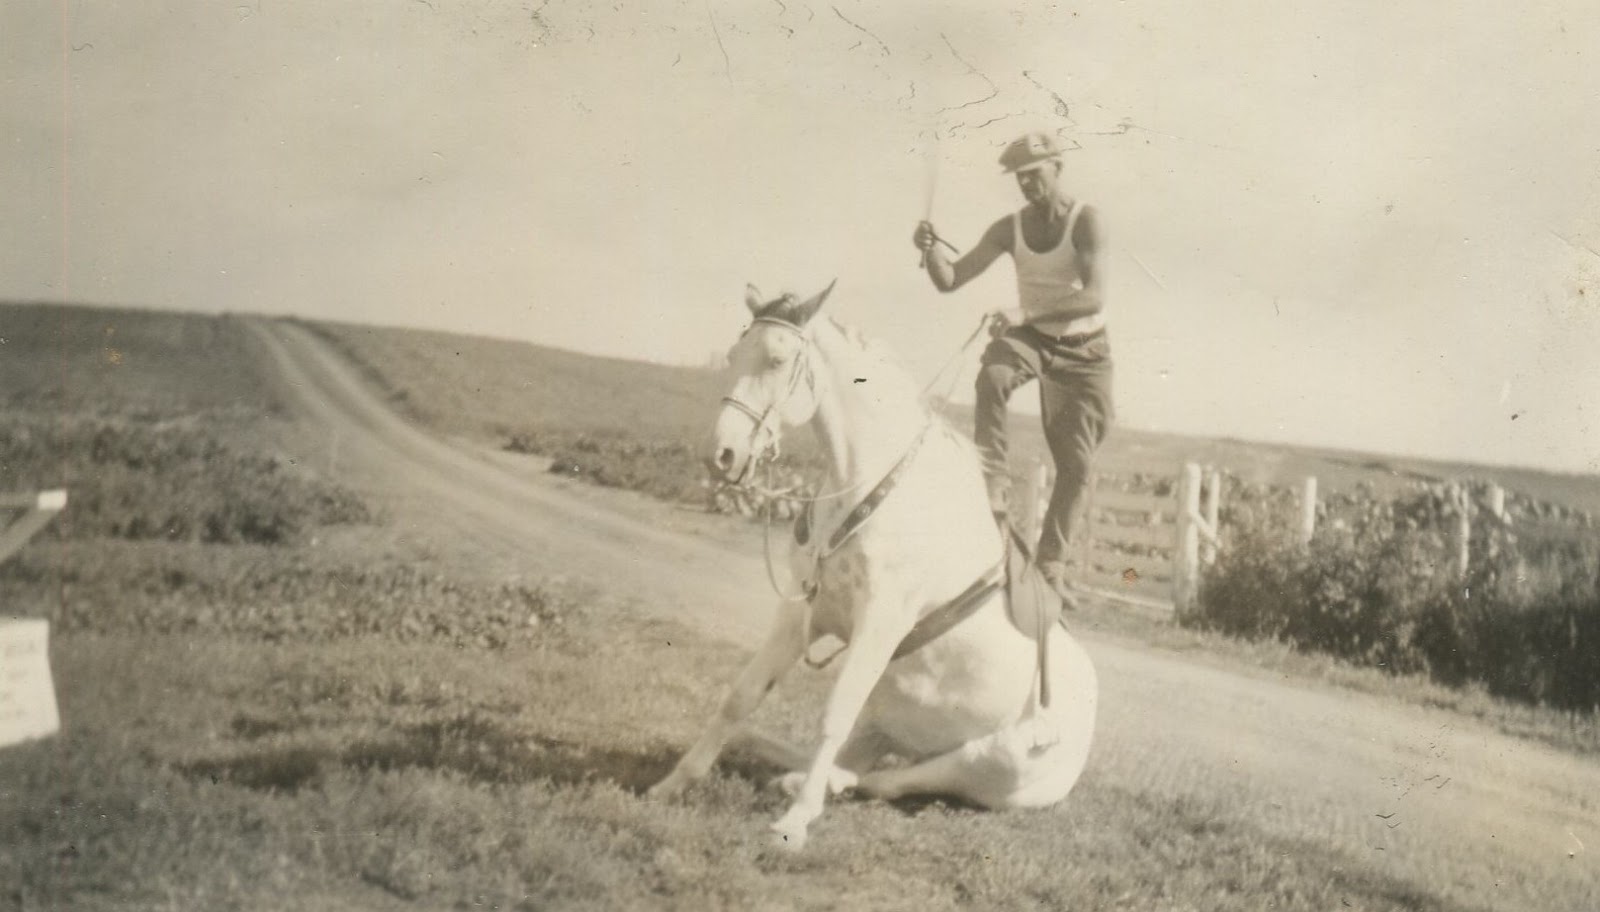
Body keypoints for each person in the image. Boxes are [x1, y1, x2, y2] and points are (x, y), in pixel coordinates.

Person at [913, 130, 1114, 605]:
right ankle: (994, 486)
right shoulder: (1010, 228)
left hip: (1085, 351)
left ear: (1058, 168)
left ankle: (1051, 565)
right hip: (1033, 340)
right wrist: (929, 248)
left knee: (1077, 465)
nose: (1027, 185)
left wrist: (1025, 314)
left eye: (1035, 175)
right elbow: (951, 279)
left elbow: (1094, 295)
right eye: (1020, 179)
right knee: (995, 376)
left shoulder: (1088, 221)